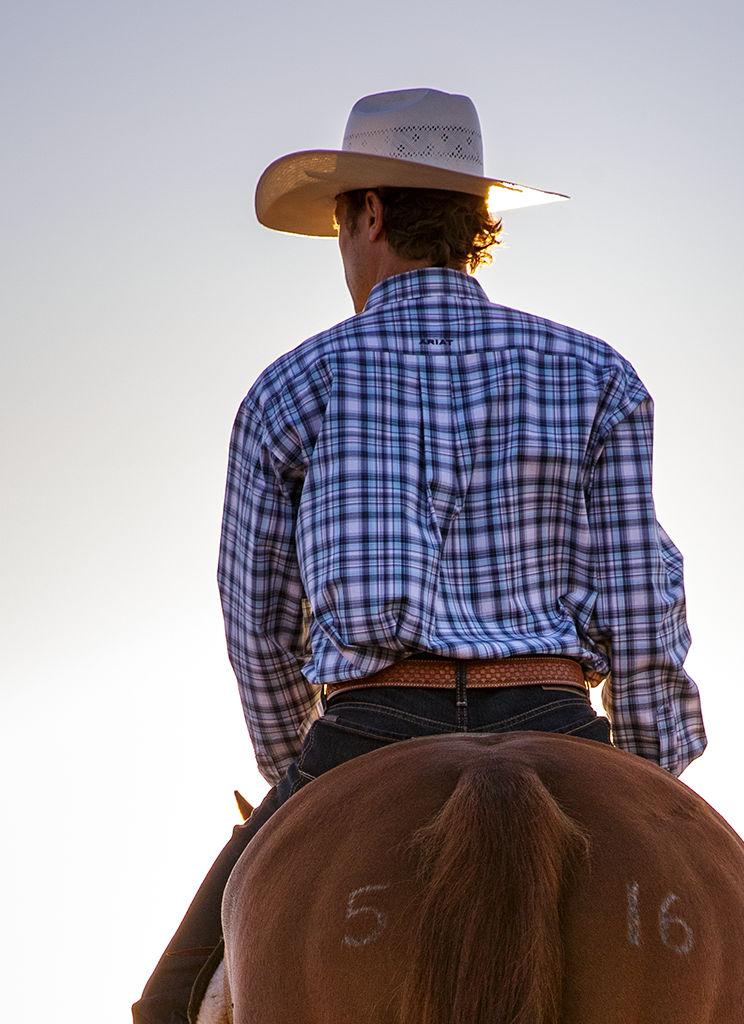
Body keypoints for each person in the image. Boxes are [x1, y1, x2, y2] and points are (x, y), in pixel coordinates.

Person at [133, 87, 706, 1024]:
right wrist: (644, 784)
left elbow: (259, 626)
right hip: (557, 706)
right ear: (472, 223)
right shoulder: (598, 375)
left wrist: (304, 774)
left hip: (365, 727)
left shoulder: (291, 387)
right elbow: (646, 603)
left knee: (168, 1010)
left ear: (367, 213)